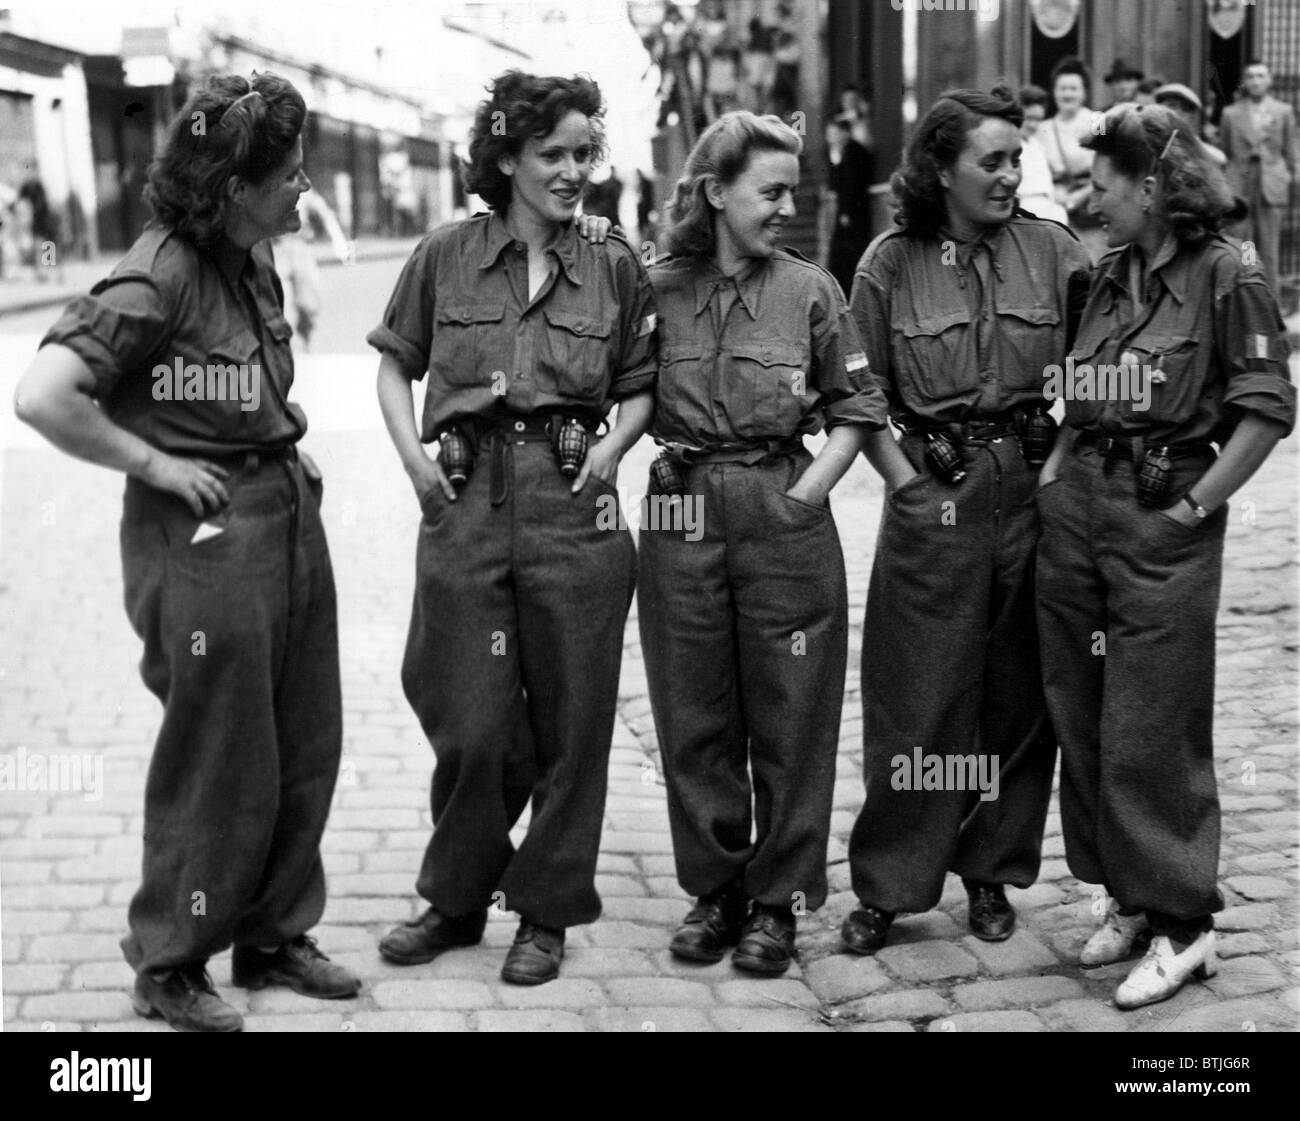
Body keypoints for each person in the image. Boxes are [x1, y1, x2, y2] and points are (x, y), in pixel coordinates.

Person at [13, 73, 359, 1032]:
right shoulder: (158, 269)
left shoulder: (252, 258)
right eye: (288, 175)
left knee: (304, 735)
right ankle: (169, 961)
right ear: (232, 188)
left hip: (280, 510)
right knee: (219, 752)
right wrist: (157, 464)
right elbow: (43, 396)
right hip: (204, 537)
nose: (305, 187)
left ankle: (275, 932)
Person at [368, 71, 656, 986]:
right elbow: (393, 367)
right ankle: (457, 899)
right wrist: (414, 463)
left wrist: (610, 454)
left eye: (585, 153)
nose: (575, 171)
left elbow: (642, 381)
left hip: (575, 503)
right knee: (468, 708)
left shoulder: (612, 261)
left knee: (575, 716)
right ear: (504, 157)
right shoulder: (444, 256)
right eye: (554, 154)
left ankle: (546, 910)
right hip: (464, 495)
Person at [1035, 104, 1294, 1009]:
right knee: (1084, 711)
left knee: (1152, 721)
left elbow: (1267, 407)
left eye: (1103, 184)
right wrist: (1057, 477)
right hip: (1081, 517)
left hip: (1161, 517)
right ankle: (1129, 897)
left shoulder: (1229, 277)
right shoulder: (1102, 278)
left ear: (1152, 187)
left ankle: (1185, 924)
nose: (1090, 197)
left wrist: (1194, 506)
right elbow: (1074, 392)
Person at [840, 86, 1092, 958]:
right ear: (941, 168)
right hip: (933, 494)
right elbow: (857, 394)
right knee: (917, 694)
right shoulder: (889, 262)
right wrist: (906, 482)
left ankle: (992, 872)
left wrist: (1055, 463)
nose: (1012, 173)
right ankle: (891, 884)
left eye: (1019, 158)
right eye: (993, 159)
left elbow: (1097, 377)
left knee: (1016, 695)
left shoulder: (1054, 253)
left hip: (1026, 489)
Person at [639, 111, 888, 975]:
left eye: (793, 187)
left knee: (793, 710)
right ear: (714, 192)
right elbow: (621, 392)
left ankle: (776, 902)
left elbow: (857, 412)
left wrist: (802, 494)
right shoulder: (653, 285)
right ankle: (716, 891)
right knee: (691, 705)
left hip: (780, 506)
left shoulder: (811, 290)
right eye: (771, 190)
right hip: (678, 506)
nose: (789, 204)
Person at [1219, 61, 1296, 295]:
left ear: (1269, 80)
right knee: (1244, 244)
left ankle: (1269, 304)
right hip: (1241, 183)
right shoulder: (1230, 113)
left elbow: (1289, 153)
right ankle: (1245, 299)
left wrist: (1288, 182)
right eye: (1250, 76)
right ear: (1245, 81)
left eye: (1260, 76)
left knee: (1269, 247)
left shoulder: (1283, 111)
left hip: (1270, 184)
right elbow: (1225, 152)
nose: (1255, 81)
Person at [1040, 57, 1107, 260]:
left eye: (1073, 88)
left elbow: (1107, 165)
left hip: (1091, 210)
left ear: (1084, 92)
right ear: (1054, 91)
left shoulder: (1097, 120)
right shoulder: (1043, 128)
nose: (1067, 94)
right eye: (1062, 88)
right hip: (1058, 213)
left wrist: (1080, 196)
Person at [825, 115, 874, 296]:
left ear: (845, 132)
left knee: (848, 253)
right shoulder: (845, 151)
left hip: (853, 212)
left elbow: (851, 184)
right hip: (848, 210)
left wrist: (846, 212)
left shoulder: (854, 151)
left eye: (835, 132)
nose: (831, 137)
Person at [1017, 85, 1069, 224]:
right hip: (1023, 213)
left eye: (1038, 119)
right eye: (1029, 118)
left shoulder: (1037, 145)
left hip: (1050, 211)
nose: (1033, 125)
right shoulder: (1010, 144)